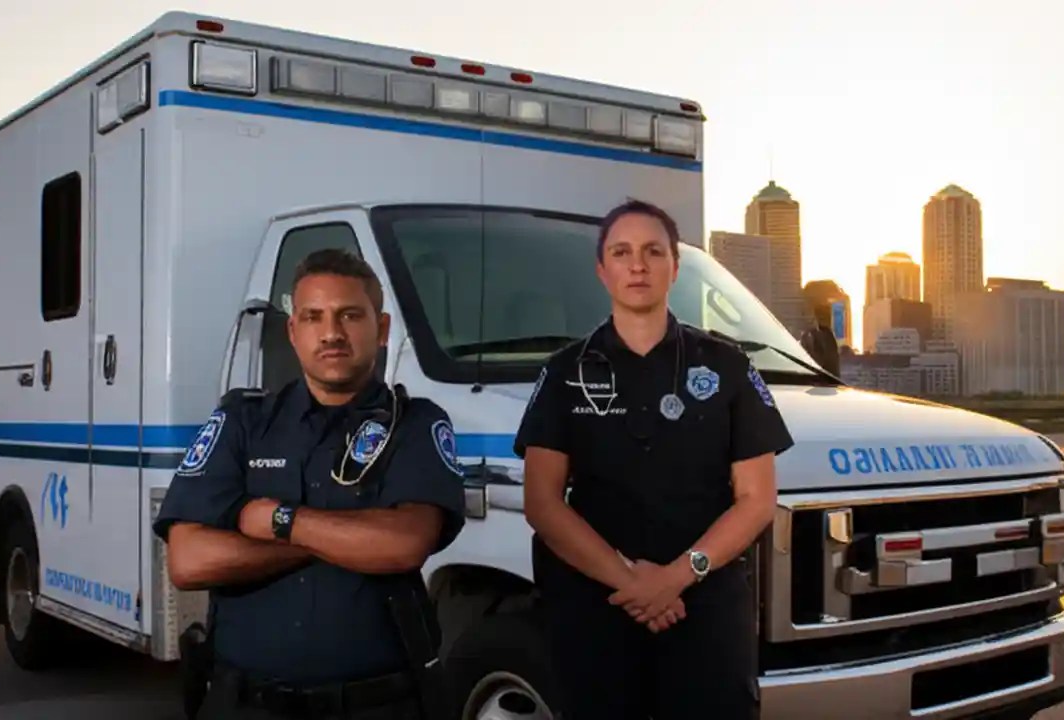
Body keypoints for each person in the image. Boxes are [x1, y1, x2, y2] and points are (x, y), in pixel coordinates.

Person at [152, 248, 467, 719]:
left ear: (380, 330)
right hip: (246, 705)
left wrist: (278, 519)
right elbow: (190, 561)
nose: (332, 333)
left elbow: (402, 545)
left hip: (377, 706)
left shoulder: (415, 425)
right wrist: (341, 539)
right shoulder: (243, 421)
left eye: (350, 315)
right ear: (293, 332)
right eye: (314, 317)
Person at [513, 199, 794, 719]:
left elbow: (757, 501)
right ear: (602, 270)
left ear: (675, 266)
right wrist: (633, 582)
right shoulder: (563, 373)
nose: (637, 264)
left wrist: (677, 577)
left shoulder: (727, 366)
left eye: (652, 251)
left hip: (704, 607)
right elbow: (543, 503)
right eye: (621, 252)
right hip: (597, 604)